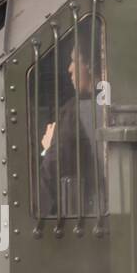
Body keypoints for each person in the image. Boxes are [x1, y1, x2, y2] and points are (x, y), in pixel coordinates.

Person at [39, 43, 100, 217]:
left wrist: (47, 148)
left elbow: (54, 167)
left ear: (89, 65)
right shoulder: (111, 100)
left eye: (75, 61)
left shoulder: (74, 113)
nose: (69, 69)